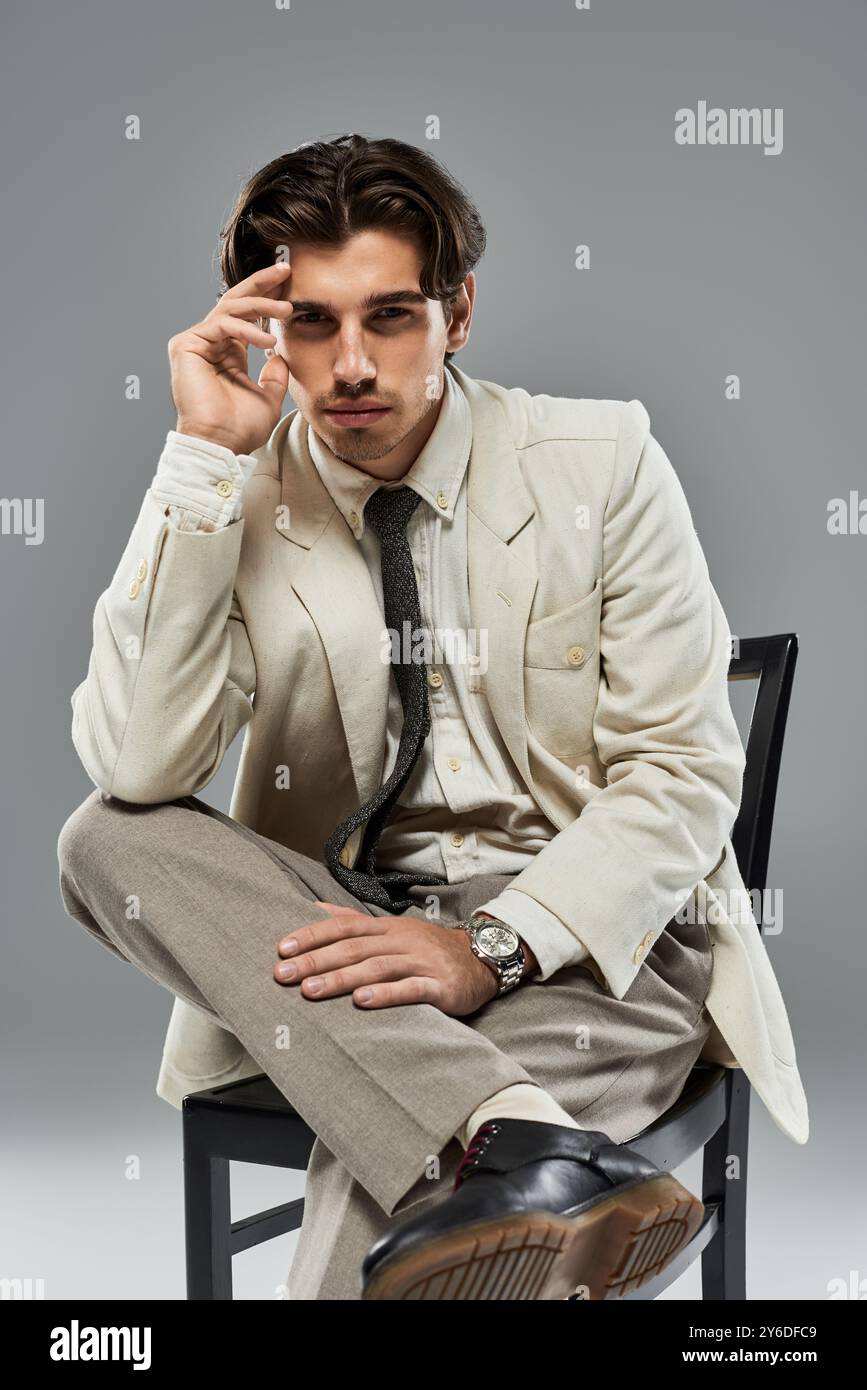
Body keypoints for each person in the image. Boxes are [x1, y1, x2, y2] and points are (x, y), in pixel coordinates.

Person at [57, 132, 808, 1302]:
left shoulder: (602, 461)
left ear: (457, 313)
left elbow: (683, 771)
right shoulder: (243, 492)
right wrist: (201, 458)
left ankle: (501, 1142)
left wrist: (487, 947)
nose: (350, 363)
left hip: (584, 948)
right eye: (312, 321)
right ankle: (529, 1139)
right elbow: (141, 764)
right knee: (100, 835)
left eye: (390, 316)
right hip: (342, 931)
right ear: (266, 329)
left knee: (410, 1185)